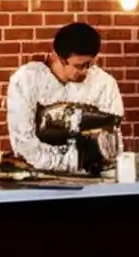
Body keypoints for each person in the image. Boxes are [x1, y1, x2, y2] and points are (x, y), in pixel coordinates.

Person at [7, 22, 124, 173]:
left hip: (92, 177)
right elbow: (23, 143)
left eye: (90, 64)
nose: (85, 72)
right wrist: (67, 163)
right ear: (59, 57)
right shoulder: (27, 80)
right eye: (79, 66)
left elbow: (111, 140)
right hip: (39, 177)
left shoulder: (104, 83)